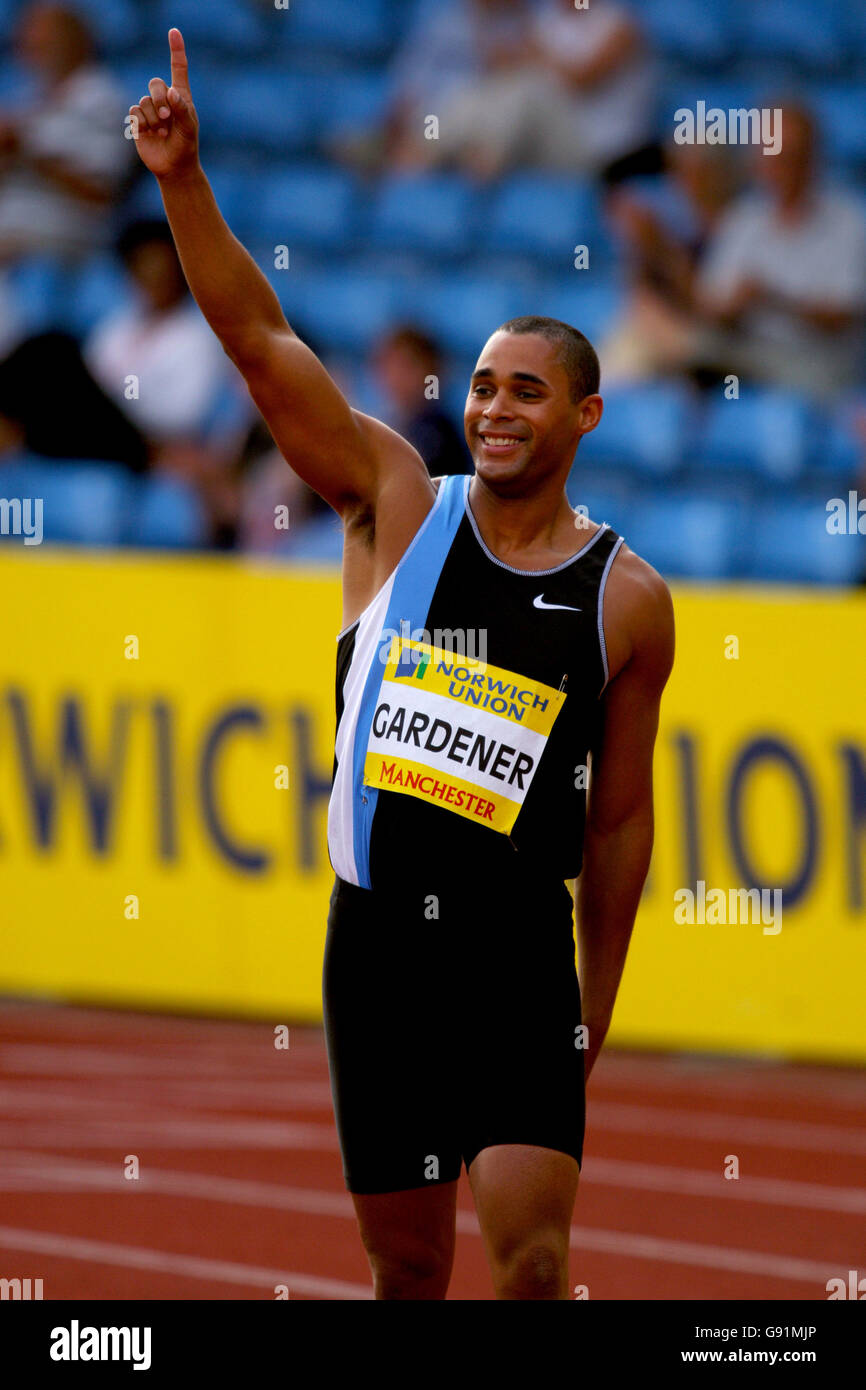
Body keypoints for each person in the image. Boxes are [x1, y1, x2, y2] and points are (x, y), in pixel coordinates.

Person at [129, 30, 675, 1300]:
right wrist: (182, 181)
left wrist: (594, 999)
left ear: (582, 415)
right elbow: (260, 344)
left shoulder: (628, 602)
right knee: (408, 1269)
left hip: (516, 956)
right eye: (481, 385)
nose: (491, 408)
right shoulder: (391, 500)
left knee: (532, 1259)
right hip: (376, 949)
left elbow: (621, 819)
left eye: (525, 391)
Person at [693, 102, 866, 400]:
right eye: (770, 155)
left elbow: (844, 316)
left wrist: (771, 298)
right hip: (749, 352)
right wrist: (734, 306)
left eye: (789, 156)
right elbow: (712, 306)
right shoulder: (743, 218)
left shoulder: (849, 222)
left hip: (817, 363)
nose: (778, 167)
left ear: (812, 158)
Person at [0, 2, 133, 261]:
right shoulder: (25, 97)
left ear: (76, 39)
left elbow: (101, 193)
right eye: (29, 34)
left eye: (45, 35)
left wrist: (27, 153)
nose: (31, 45)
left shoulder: (104, 100)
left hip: (65, 243)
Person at [371, 325, 472, 477]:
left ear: (430, 370)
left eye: (406, 366)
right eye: (389, 366)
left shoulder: (438, 428)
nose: (395, 377)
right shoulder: (398, 421)